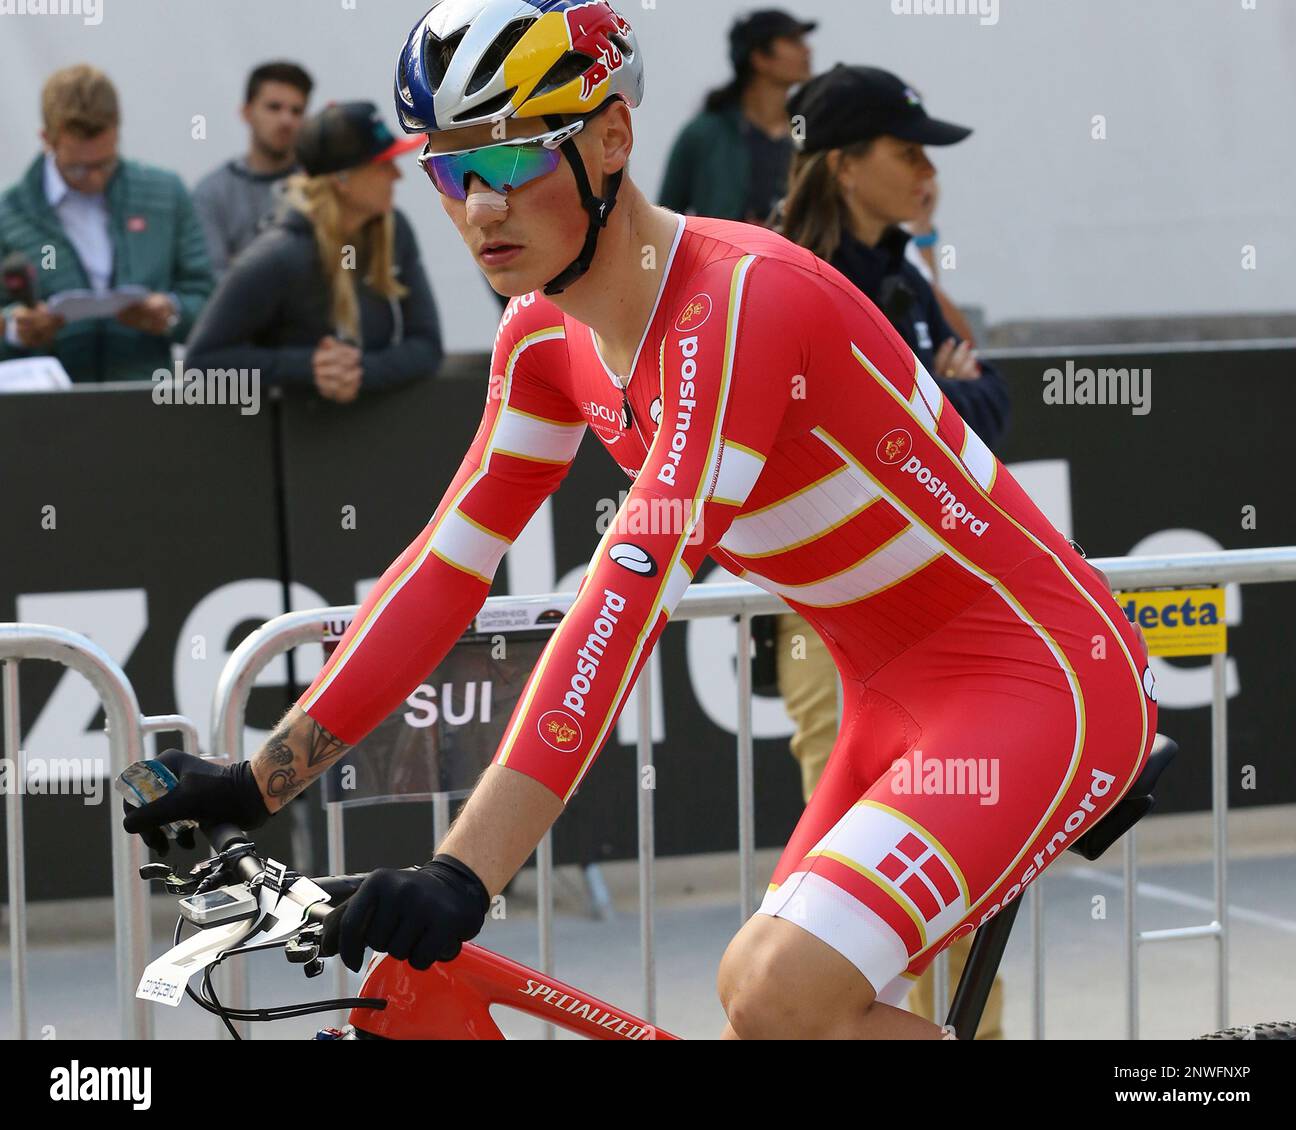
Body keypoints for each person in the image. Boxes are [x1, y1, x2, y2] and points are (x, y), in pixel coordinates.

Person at [125, 1, 1157, 1041]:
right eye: (449, 170)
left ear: (611, 138)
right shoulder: (541, 339)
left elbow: (625, 593)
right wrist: (258, 781)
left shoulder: (739, 302)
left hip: (1039, 676)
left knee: (782, 995)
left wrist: (464, 870)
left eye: (512, 159)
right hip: (886, 696)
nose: (480, 205)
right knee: (764, 1009)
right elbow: (446, 565)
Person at [776, 62, 1012, 1036]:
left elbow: (986, 416)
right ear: (841, 164)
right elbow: (847, 442)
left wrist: (943, 402)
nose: (930, 176)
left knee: (959, 876)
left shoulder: (905, 274)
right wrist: (945, 397)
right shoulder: (790, 280)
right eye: (908, 154)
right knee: (857, 901)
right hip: (836, 633)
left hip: (938, 621)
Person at [185, 102, 443, 400]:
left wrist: (360, 371)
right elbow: (202, 363)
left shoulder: (395, 230)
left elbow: (427, 346)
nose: (397, 175)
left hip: (373, 438)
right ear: (342, 179)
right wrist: (308, 368)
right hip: (290, 441)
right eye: (383, 164)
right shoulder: (277, 255)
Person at [0, 65, 213, 383]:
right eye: (77, 169)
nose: (95, 178)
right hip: (47, 410)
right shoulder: (9, 214)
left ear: (117, 131)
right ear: (47, 140)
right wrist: (17, 328)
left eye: (105, 163)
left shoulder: (164, 195)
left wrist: (171, 312)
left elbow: (208, 296)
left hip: (145, 401)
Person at [659, 8, 814, 224]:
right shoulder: (703, 134)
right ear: (759, 58)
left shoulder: (810, 131)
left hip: (797, 259)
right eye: (793, 40)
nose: (807, 50)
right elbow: (664, 219)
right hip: (721, 258)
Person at [191, 61, 315, 279]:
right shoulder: (212, 193)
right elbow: (210, 280)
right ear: (246, 112)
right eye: (274, 107)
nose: (286, 120)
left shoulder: (321, 188)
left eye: (297, 111)